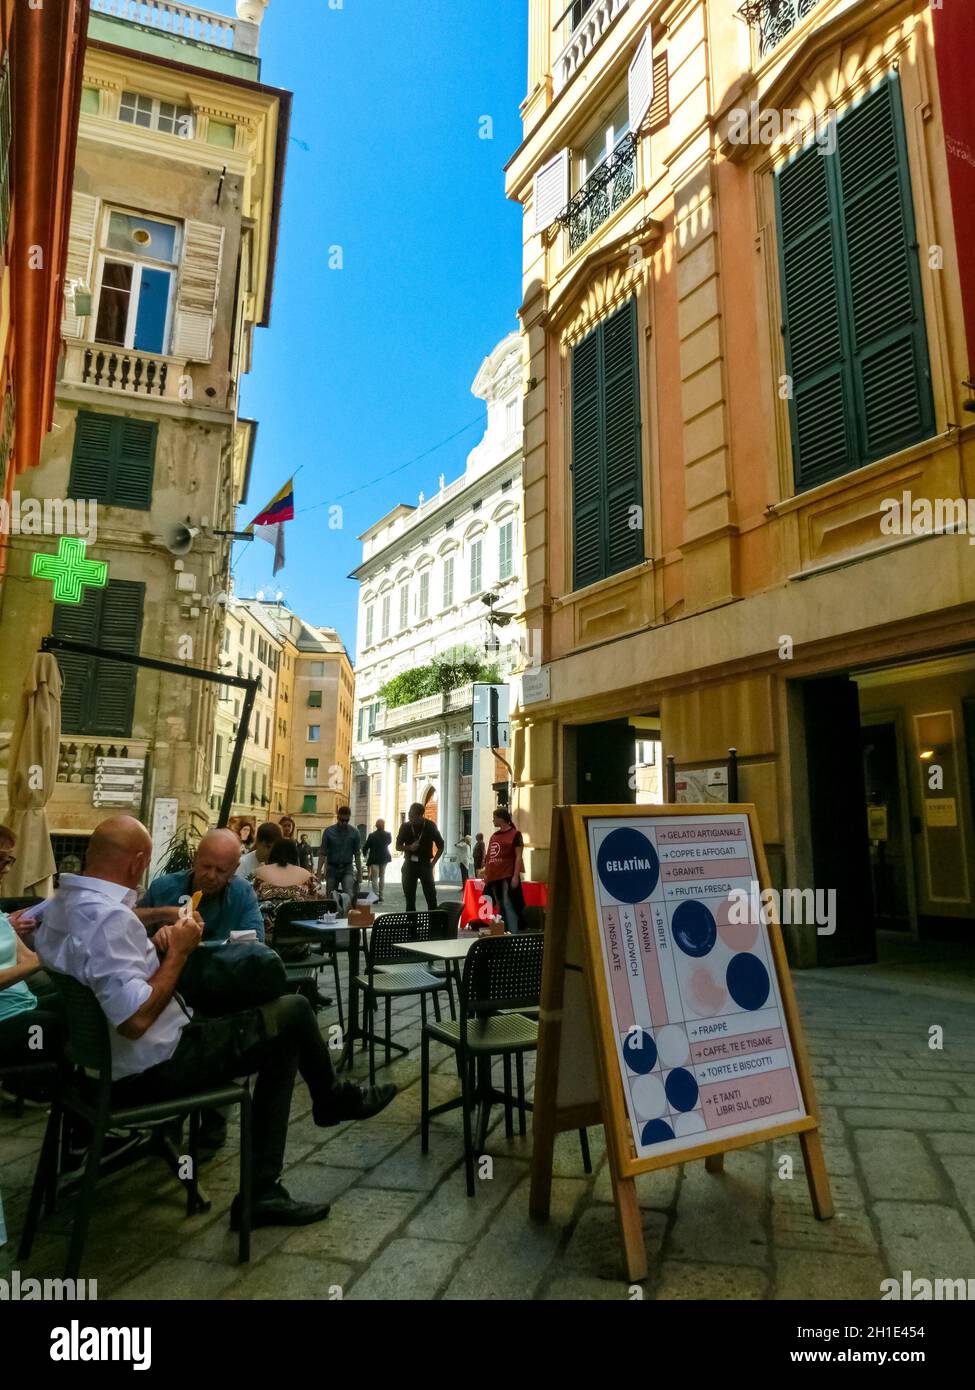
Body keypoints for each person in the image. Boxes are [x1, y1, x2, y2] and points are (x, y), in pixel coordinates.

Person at [33, 816, 396, 1230]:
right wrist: (178, 954)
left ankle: (318, 1116)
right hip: (149, 1068)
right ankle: (281, 1165)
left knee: (285, 1022)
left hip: (90, 1069)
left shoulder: (60, 905)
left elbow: (105, 980)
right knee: (293, 1013)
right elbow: (134, 1020)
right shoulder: (109, 919)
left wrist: (152, 946)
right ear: (137, 864)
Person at [0, 825, 66, 1076]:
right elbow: (33, 963)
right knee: (64, 1027)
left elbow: (28, 957)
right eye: (0, 860)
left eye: (9, 860)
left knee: (88, 1007)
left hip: (24, 1004)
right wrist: (43, 961)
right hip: (5, 1018)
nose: (6, 868)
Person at [141, 829, 266, 943]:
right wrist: (157, 936)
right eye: (206, 866)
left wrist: (197, 945)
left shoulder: (242, 893)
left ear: (234, 869)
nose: (211, 876)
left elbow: (255, 941)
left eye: (221, 870)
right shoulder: (162, 888)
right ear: (195, 858)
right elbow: (127, 925)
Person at [482, 808, 525, 934]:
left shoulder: (515, 834)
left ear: (502, 818)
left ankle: (513, 933)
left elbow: (518, 857)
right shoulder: (494, 836)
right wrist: (486, 873)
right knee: (500, 905)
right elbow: (490, 856)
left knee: (508, 904)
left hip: (507, 875)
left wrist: (516, 876)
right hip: (495, 877)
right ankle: (503, 932)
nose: (493, 820)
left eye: (494, 817)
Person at [395, 803, 444, 912]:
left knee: (431, 897)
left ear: (420, 815)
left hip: (425, 864)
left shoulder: (430, 826)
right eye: (409, 815)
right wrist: (409, 847)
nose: (410, 818)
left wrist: (433, 863)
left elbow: (441, 846)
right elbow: (397, 846)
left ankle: (433, 925)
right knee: (410, 899)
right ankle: (411, 926)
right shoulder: (405, 827)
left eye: (412, 816)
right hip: (409, 865)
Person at [318, 807, 362, 903]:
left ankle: (347, 916)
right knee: (330, 896)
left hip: (347, 867)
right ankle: (333, 915)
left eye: (347, 820)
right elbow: (322, 853)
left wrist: (359, 872)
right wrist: (318, 874)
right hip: (332, 868)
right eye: (342, 820)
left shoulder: (355, 832)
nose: (344, 823)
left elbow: (357, 854)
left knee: (349, 894)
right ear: (337, 818)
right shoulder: (328, 832)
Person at [362, 819, 392, 901]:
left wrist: (365, 854)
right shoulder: (388, 835)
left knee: (374, 878)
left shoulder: (372, 835)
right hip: (384, 858)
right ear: (383, 825)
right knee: (382, 876)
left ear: (376, 826)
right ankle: (381, 895)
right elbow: (389, 842)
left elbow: (366, 846)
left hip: (374, 858)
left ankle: (376, 895)